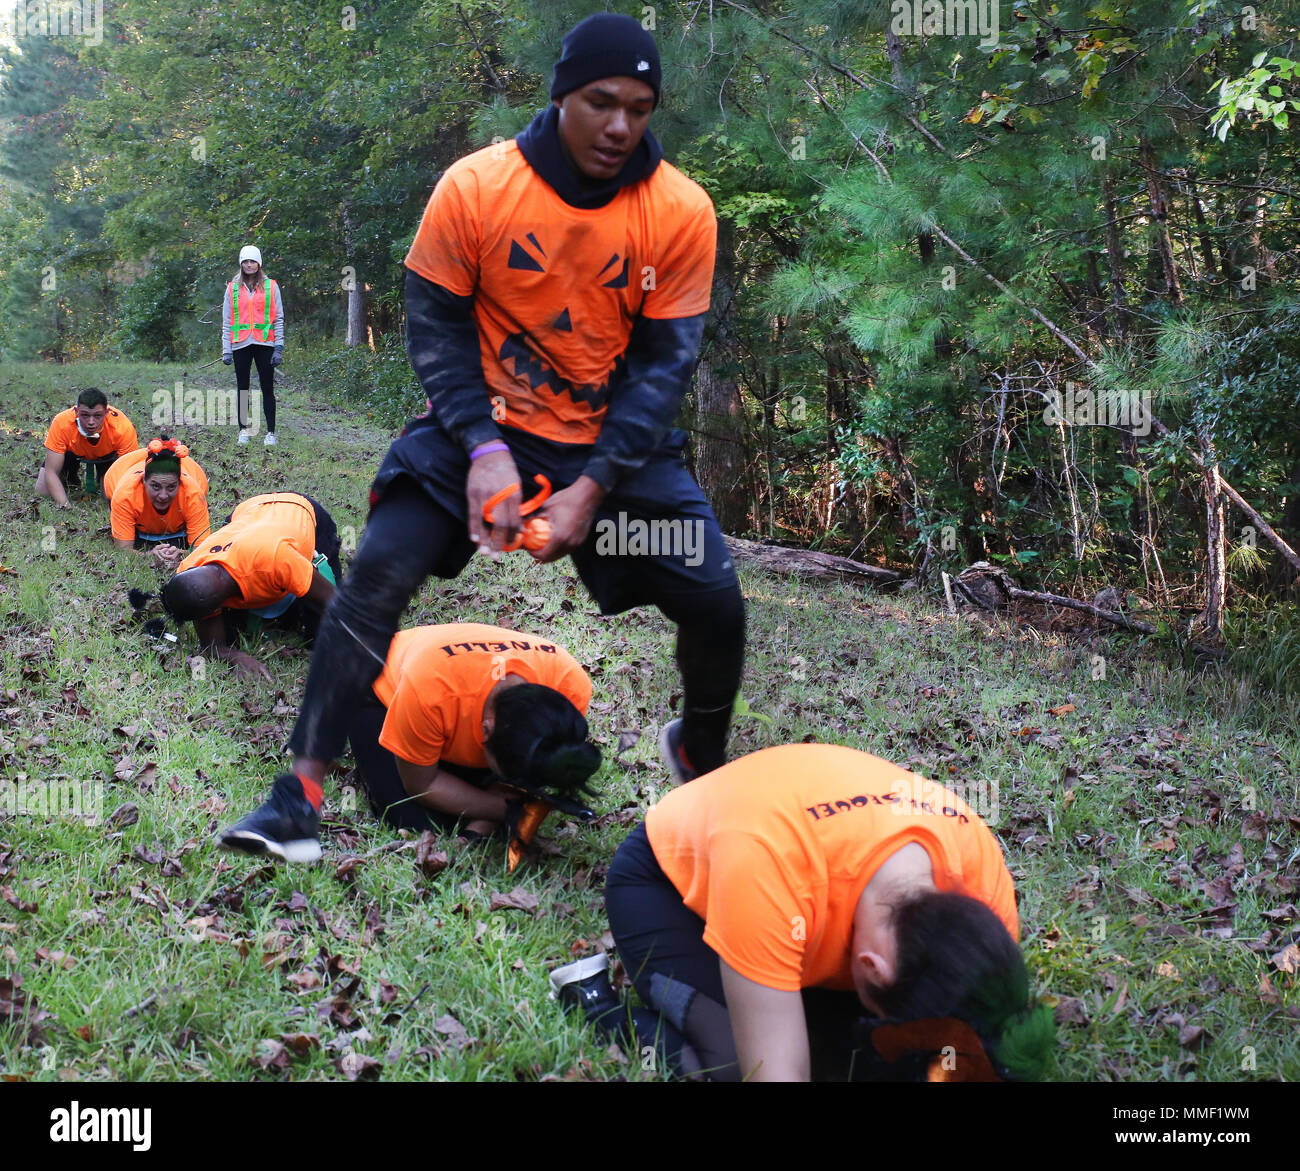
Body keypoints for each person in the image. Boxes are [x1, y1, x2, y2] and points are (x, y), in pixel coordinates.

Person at [217, 13, 745, 862]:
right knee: (377, 574)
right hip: (480, 423)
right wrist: (483, 445)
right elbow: (435, 327)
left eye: (640, 109)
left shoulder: (680, 211)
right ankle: (297, 795)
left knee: (716, 594)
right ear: (561, 96)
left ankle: (701, 753)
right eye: (601, 102)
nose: (620, 126)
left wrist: (593, 487)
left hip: (612, 442)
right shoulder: (476, 188)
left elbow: (662, 370)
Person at [549, 743, 1055, 1082]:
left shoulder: (984, 881)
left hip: (799, 867)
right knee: (733, 1066)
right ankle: (593, 1000)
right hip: (670, 883)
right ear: (869, 970)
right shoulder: (771, 873)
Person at [225, 622, 600, 862]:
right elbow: (422, 784)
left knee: (477, 802)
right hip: (381, 689)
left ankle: (484, 801)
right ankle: (484, 802)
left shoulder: (571, 686)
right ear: (483, 732)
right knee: (404, 812)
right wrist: (505, 809)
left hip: (454, 692)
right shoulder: (432, 688)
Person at [157, 492, 341, 680]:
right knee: (233, 630)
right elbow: (212, 646)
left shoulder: (277, 559)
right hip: (248, 513)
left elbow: (335, 602)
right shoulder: (188, 568)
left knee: (318, 631)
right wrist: (238, 657)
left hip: (300, 509)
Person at [103, 437, 211, 569]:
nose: (163, 496)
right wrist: (149, 554)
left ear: (180, 482)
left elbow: (202, 549)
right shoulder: (125, 495)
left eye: (171, 487)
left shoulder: (193, 495)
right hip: (123, 470)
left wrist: (182, 553)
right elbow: (123, 549)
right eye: (155, 486)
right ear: (143, 481)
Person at [222, 244, 285, 447]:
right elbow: (227, 320)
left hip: (265, 343)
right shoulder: (232, 288)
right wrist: (226, 349)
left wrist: (278, 347)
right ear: (241, 264)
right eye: (245, 261)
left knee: (267, 388)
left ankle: (271, 433)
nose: (249, 265)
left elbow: (279, 319)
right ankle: (243, 431)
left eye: (253, 261)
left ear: (259, 264)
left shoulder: (271, 286)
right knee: (242, 389)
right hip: (240, 344)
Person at [34, 388, 138, 509]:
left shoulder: (122, 427)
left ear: (107, 412)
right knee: (42, 491)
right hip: (71, 454)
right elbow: (50, 471)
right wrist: (64, 505)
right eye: (85, 415)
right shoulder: (61, 422)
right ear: (76, 411)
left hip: (108, 457)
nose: (91, 422)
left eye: (97, 415)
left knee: (111, 496)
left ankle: (103, 476)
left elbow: (131, 473)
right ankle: (69, 477)